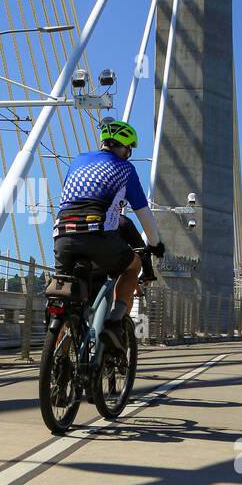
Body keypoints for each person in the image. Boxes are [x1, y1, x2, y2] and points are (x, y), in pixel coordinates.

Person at [53, 120, 164, 348]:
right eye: (129, 150)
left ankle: (58, 358)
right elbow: (144, 214)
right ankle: (114, 324)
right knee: (132, 266)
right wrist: (156, 244)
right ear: (126, 148)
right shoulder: (125, 169)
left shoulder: (78, 161)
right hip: (98, 235)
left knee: (63, 296)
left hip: (62, 233)